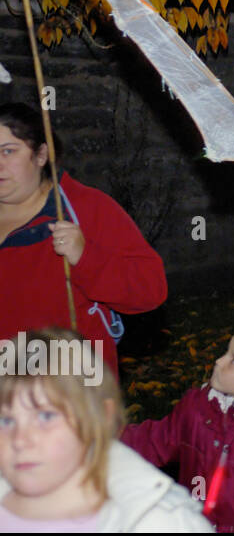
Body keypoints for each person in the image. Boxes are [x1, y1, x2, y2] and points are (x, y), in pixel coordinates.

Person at [0, 102, 166, 373]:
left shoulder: (86, 209)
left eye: (8, 151)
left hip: (71, 390)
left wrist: (86, 258)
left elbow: (149, 289)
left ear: (41, 154)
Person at [0, 327, 213, 532]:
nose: (20, 440)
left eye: (46, 416)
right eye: (5, 421)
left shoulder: (159, 523)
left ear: (100, 418)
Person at [121, 326, 234, 532]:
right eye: (226, 353)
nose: (219, 361)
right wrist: (104, 438)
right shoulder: (197, 408)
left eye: (233, 360)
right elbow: (154, 440)